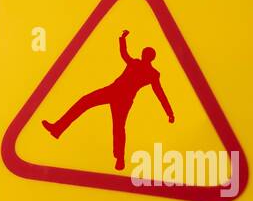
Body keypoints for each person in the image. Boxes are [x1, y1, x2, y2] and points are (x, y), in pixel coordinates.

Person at [42, 30, 175, 171]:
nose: (143, 55)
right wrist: (122, 39)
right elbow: (125, 54)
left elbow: (160, 94)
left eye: (145, 54)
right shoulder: (142, 67)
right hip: (114, 92)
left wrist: (169, 112)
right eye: (144, 53)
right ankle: (57, 128)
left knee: (116, 125)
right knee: (88, 104)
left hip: (121, 97)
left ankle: (120, 158)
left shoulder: (148, 71)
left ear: (148, 57)